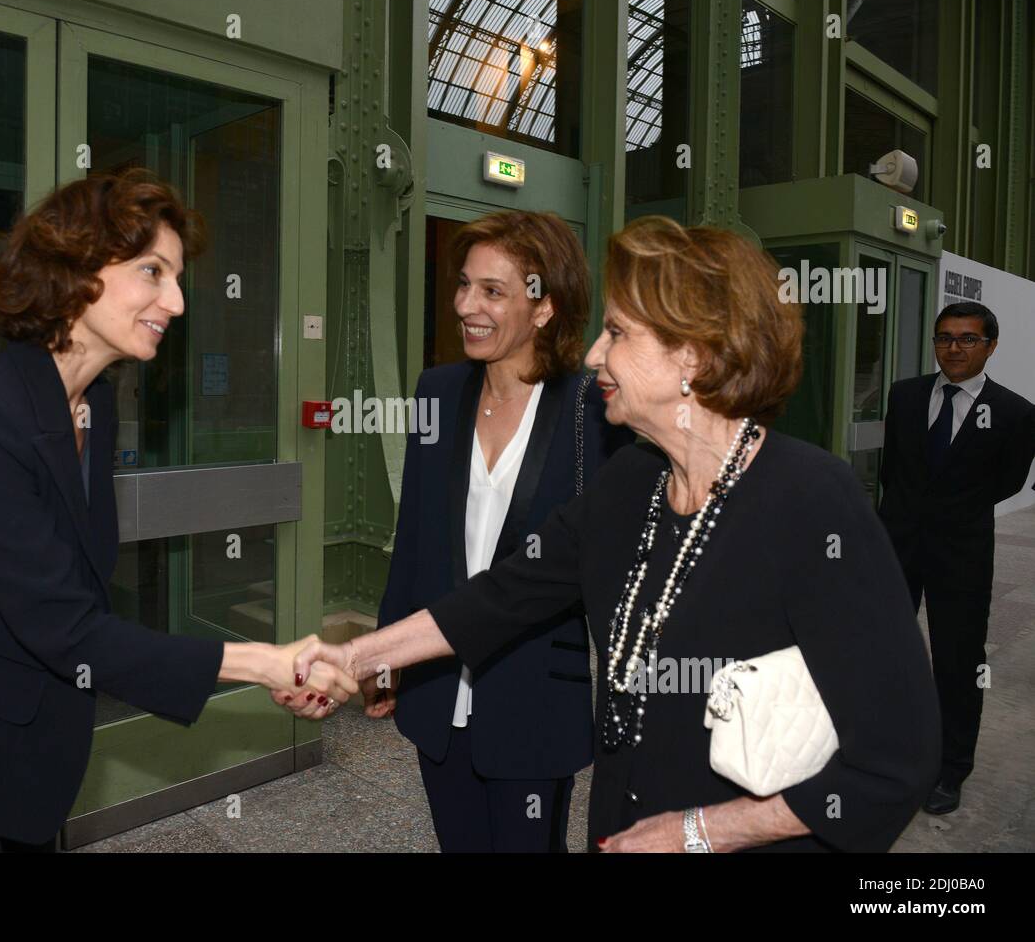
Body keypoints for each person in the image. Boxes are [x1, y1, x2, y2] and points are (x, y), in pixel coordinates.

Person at [293, 216, 941, 852]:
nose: (595, 353)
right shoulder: (632, 482)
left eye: (618, 332)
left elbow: (894, 762)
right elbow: (499, 597)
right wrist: (355, 657)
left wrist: (697, 832)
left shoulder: (813, 502)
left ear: (694, 353)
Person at [0, 169, 355, 852]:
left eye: (177, 275)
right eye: (153, 271)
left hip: (24, 762)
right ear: (77, 268)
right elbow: (65, 625)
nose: (178, 301)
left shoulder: (91, 404)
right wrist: (264, 661)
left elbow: (35, 585)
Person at [366, 211, 632, 851]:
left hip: (536, 698)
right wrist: (384, 652)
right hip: (436, 690)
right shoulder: (436, 392)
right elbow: (414, 540)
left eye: (492, 290)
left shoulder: (595, 409)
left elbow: (611, 567)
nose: (465, 305)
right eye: (463, 285)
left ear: (543, 308)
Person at [879, 301, 1035, 815]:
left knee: (958, 664)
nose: (954, 348)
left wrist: (952, 515)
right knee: (887, 654)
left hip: (962, 556)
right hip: (898, 548)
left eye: (968, 339)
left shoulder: (1016, 413)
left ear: (991, 346)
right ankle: (885, 750)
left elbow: (1006, 482)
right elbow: (892, 472)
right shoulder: (903, 398)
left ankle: (950, 769)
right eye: (945, 337)